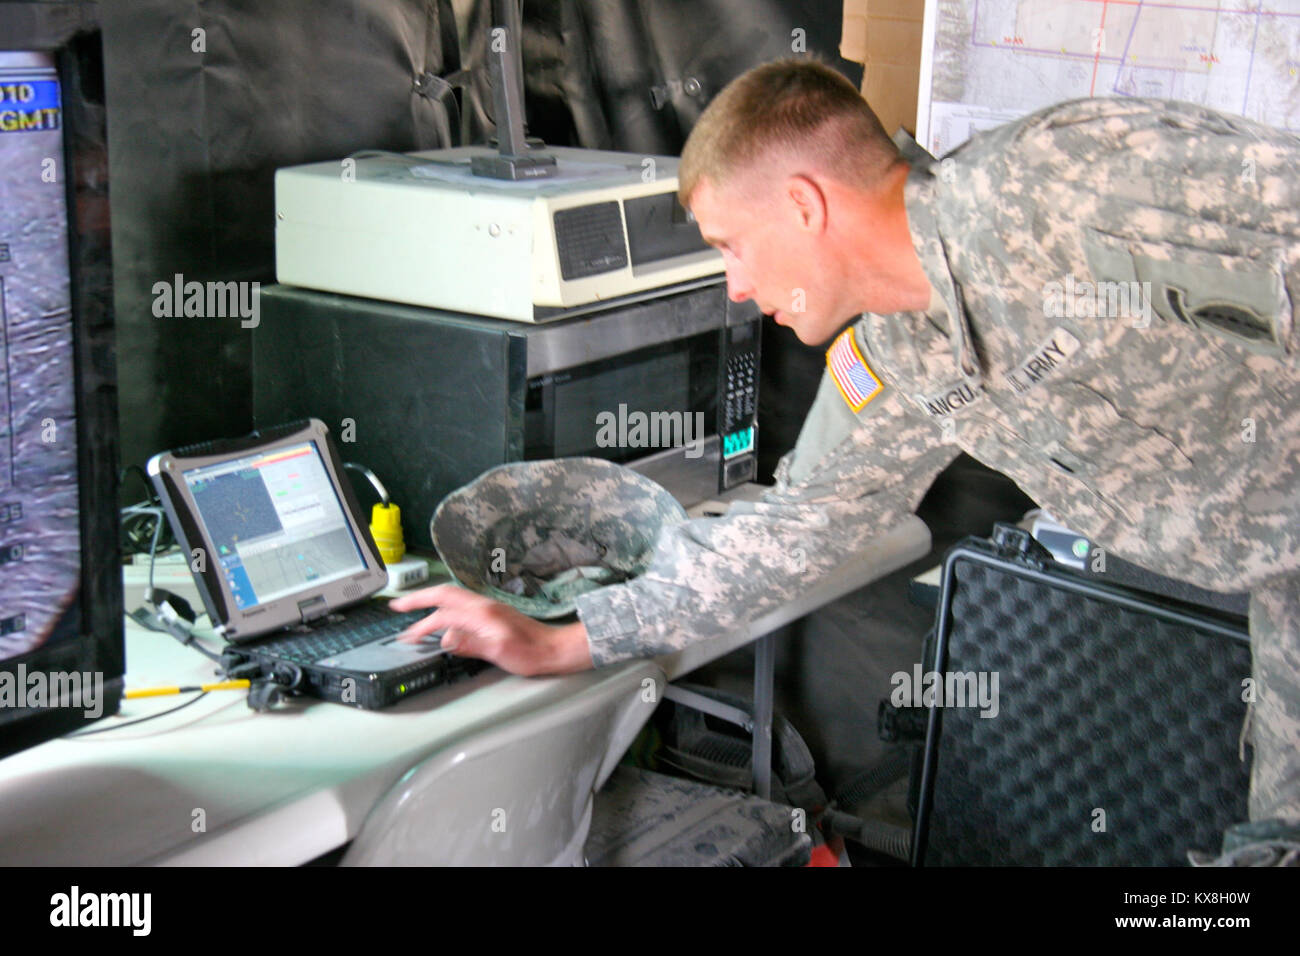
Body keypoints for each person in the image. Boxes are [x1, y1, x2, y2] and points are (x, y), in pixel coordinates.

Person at [392, 59, 1300, 850]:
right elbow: (798, 530)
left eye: (731, 247)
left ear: (803, 204)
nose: (736, 288)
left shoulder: (1053, 184)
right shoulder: (901, 352)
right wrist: (566, 642)